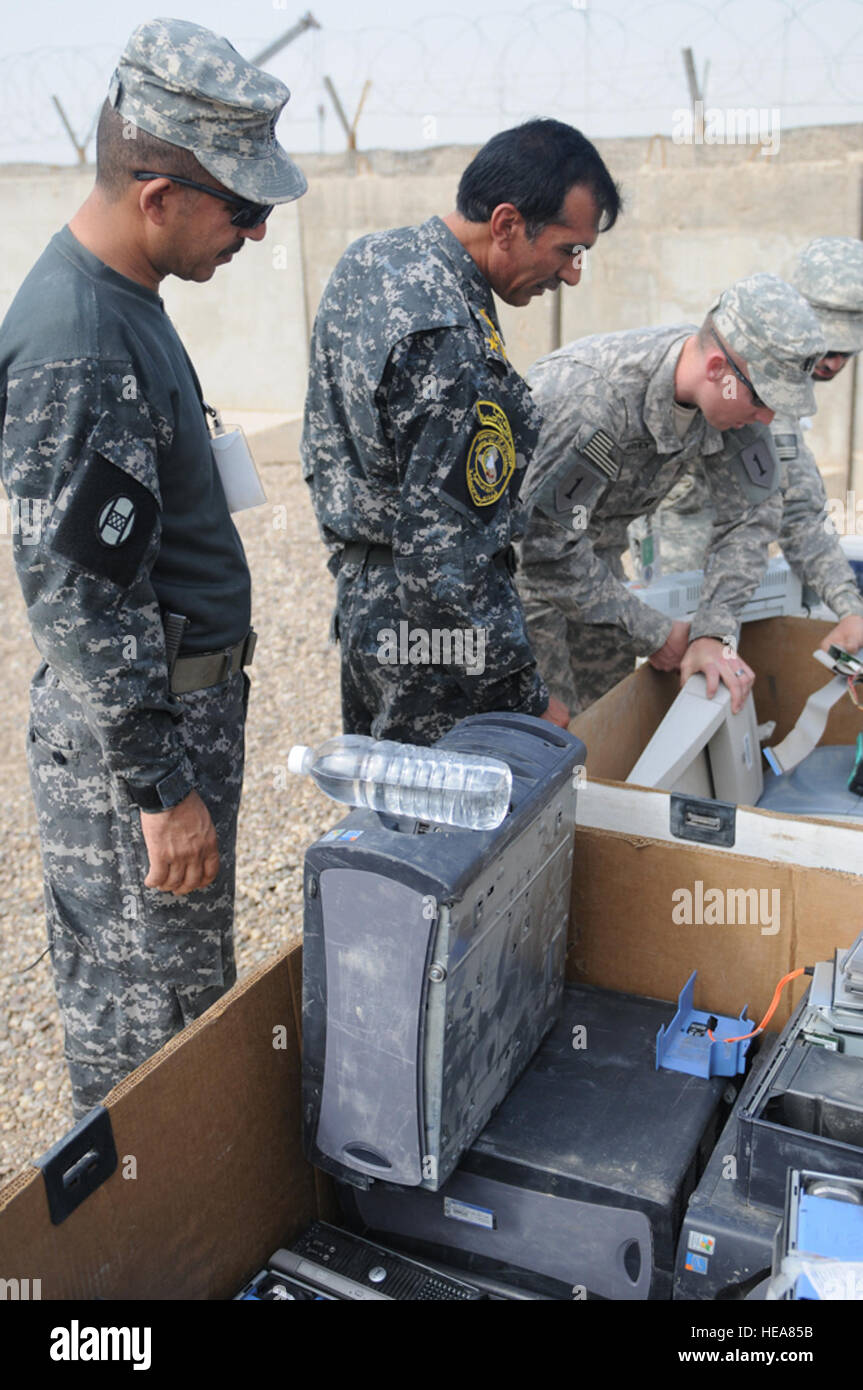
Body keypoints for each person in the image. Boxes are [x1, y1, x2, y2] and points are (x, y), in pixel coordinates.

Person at [0, 18, 306, 1117]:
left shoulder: (125, 303)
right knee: (151, 1052)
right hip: (139, 744)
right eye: (243, 205)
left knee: (178, 1007)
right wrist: (160, 788)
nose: (260, 232)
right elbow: (82, 595)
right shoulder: (79, 338)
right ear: (157, 191)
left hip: (171, 717)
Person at [301, 119, 621, 745]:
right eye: (568, 250)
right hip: (434, 649)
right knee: (442, 832)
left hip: (371, 607)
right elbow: (446, 559)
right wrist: (523, 696)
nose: (573, 275)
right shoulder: (450, 337)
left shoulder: (373, 259)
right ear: (506, 224)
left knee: (386, 813)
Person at [517, 274, 825, 716]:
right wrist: (655, 632)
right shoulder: (595, 400)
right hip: (521, 589)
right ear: (717, 368)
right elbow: (541, 550)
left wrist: (712, 631)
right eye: (762, 398)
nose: (769, 415)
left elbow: (751, 516)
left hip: (597, 577)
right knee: (548, 745)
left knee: (607, 731)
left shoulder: (734, 401)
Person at [646, 238, 863, 657]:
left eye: (847, 352)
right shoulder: (740, 382)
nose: (834, 363)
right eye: (827, 350)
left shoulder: (776, 401)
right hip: (684, 585)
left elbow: (799, 511)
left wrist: (849, 608)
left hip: (732, 584)